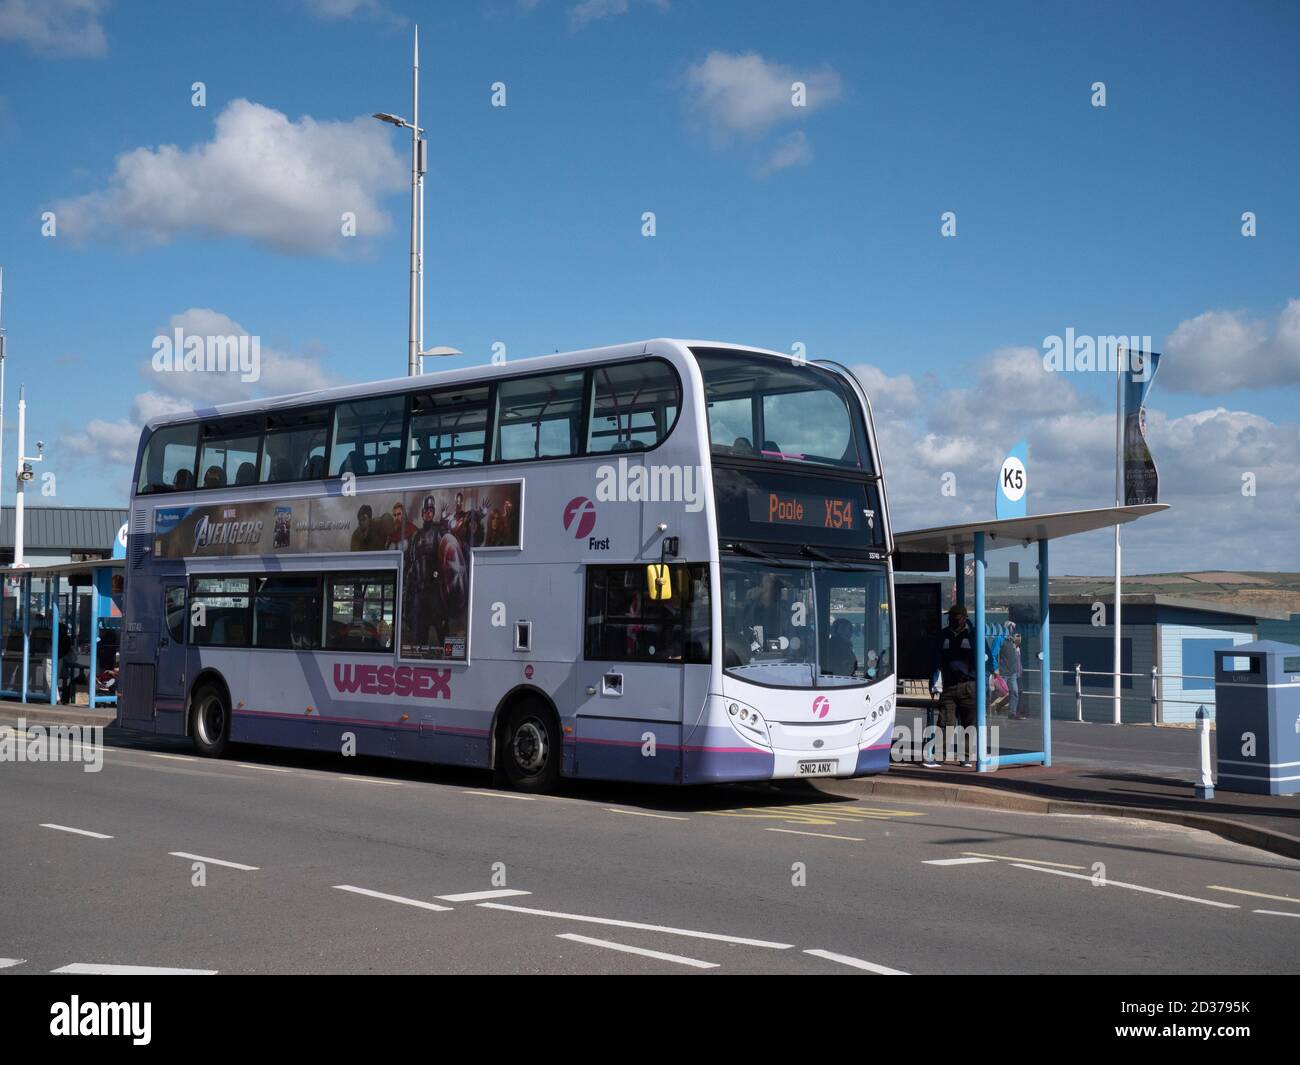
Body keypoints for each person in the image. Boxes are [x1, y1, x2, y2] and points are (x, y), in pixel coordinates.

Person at [929, 603, 979, 767]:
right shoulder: (943, 635)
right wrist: (933, 682)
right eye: (950, 617)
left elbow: (984, 658)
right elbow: (935, 659)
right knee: (945, 721)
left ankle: (965, 756)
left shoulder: (973, 635)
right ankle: (939, 755)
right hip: (948, 686)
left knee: (968, 723)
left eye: (954, 617)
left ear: (964, 618)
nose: (951, 619)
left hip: (969, 685)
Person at [1000, 632, 1025, 719]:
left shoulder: (1016, 647)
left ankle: (1012, 713)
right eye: (1017, 636)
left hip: (1013, 673)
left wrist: (1019, 671)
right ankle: (989, 707)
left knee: (1015, 692)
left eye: (1019, 636)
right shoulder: (1004, 642)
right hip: (1003, 671)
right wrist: (996, 668)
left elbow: (1018, 662)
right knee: (1000, 692)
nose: (1018, 638)